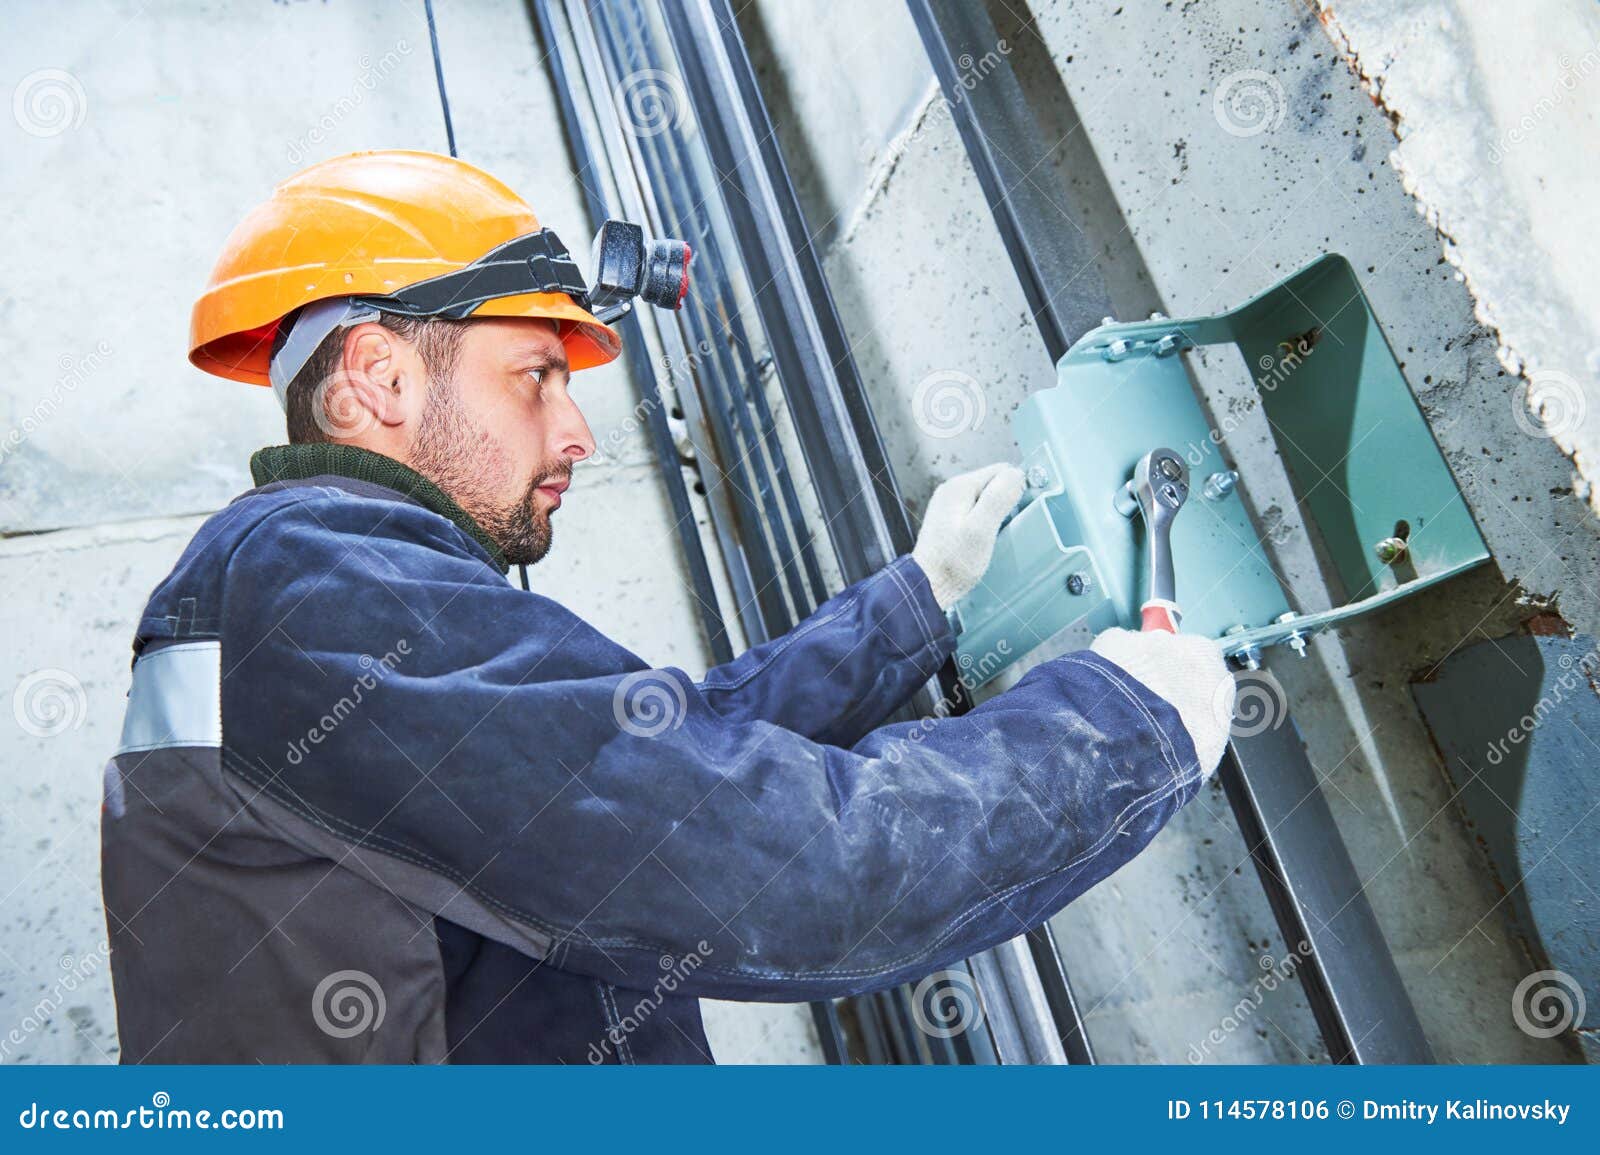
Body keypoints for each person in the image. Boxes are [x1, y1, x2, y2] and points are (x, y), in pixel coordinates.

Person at [102, 150, 1233, 1063]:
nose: (579, 431)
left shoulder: (303, 589)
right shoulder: (313, 589)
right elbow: (802, 870)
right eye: (536, 375)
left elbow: (666, 745)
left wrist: (914, 603)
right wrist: (1128, 727)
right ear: (379, 378)